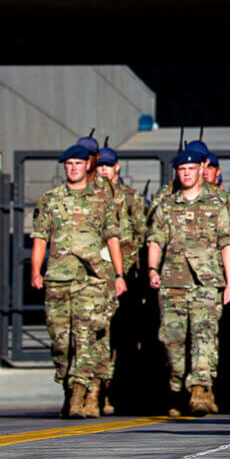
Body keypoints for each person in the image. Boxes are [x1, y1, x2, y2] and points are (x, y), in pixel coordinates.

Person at [30, 144, 126, 419]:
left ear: (88, 166)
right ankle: (68, 387)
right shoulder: (50, 200)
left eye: (78, 163)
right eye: (69, 164)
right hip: (58, 278)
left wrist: (119, 275)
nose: (73, 168)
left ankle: (80, 393)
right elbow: (40, 238)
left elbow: (112, 238)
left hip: (91, 279)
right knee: (61, 343)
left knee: (85, 338)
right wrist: (36, 271)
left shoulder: (102, 200)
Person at [146, 146, 230, 417]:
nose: (186, 174)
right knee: (172, 342)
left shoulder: (216, 206)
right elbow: (155, 241)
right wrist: (152, 269)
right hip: (172, 283)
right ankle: (178, 390)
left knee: (204, 338)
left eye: (191, 169)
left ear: (201, 170)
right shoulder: (166, 207)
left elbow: (226, 245)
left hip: (206, 284)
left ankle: (199, 390)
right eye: (182, 170)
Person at [95, 145, 149, 415]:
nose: (104, 170)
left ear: (117, 167)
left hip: (125, 276)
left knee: (125, 335)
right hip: (97, 276)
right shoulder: (91, 198)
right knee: (98, 334)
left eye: (108, 165)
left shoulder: (130, 197)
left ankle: (120, 392)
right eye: (100, 165)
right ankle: (98, 391)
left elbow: (141, 234)